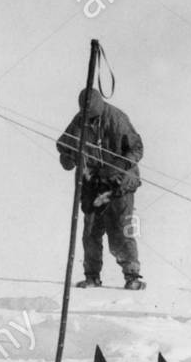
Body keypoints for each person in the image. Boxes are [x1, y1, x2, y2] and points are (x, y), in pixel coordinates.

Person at [57, 87, 145, 290]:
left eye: (92, 115)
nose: (89, 119)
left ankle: (132, 276)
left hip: (119, 184)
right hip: (93, 184)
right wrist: (69, 158)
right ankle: (92, 276)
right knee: (91, 231)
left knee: (120, 231)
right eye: (85, 114)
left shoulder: (116, 118)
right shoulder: (79, 121)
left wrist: (121, 166)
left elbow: (137, 147)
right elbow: (65, 146)